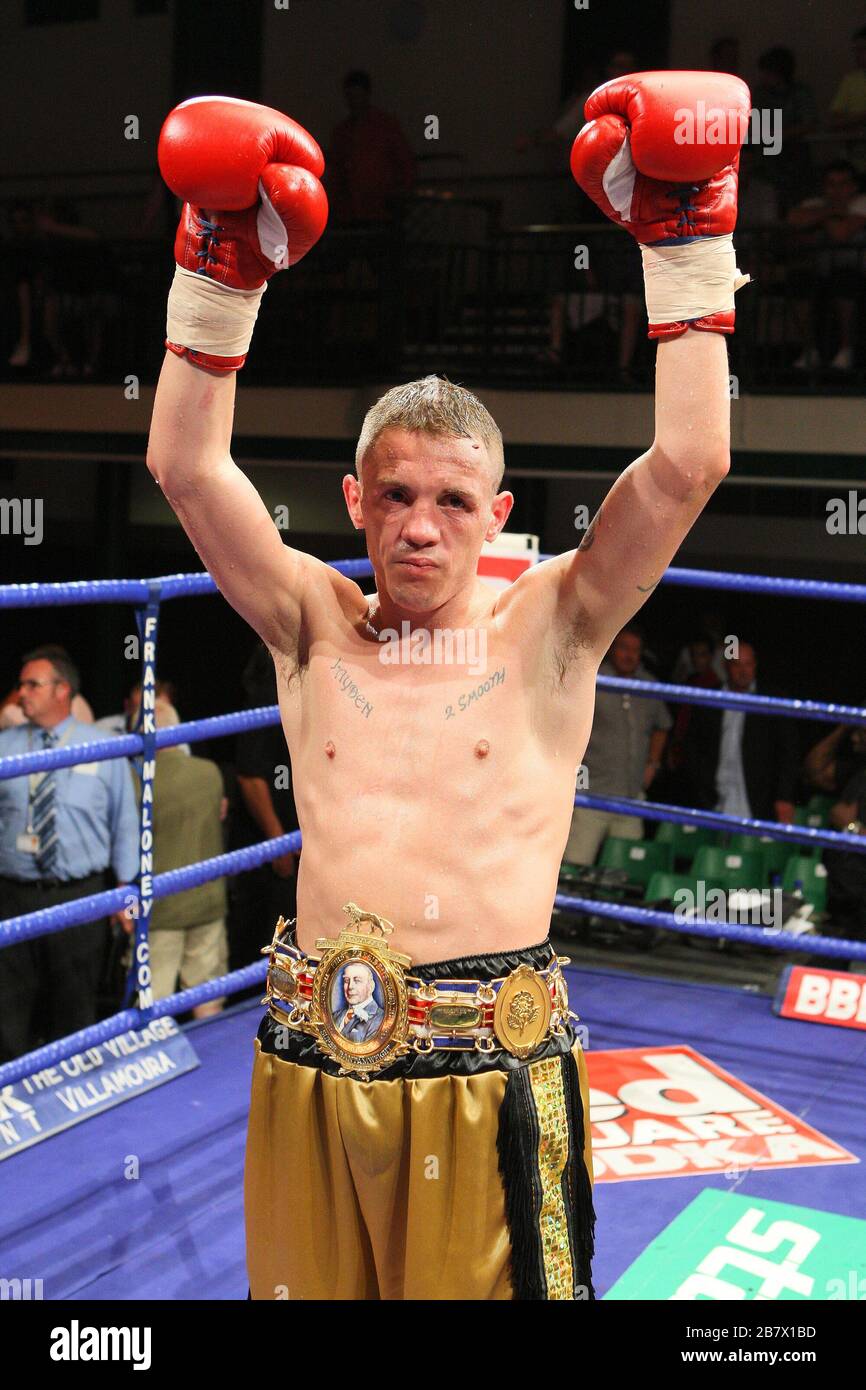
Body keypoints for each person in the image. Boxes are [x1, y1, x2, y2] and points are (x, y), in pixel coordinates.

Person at [149, 76, 747, 1300]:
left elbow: (688, 462)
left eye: (453, 502)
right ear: (356, 501)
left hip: (486, 1074)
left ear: (498, 517)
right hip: (309, 1052)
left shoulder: (555, 623)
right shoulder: (308, 616)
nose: (421, 529)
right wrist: (220, 273)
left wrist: (687, 251)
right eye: (397, 497)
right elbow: (182, 462)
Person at [0, 647, 138, 1063]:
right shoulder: (4, 746)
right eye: (21, 684)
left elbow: (125, 823)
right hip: (14, 893)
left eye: (32, 684)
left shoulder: (103, 747)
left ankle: (71, 1085)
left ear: (62, 691)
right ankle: (10, 1094)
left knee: (74, 1000)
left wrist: (126, 893)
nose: (21, 693)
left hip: (80, 896)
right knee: (8, 1002)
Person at [131, 698, 229, 1016]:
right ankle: (217, 1067)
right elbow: (219, 815)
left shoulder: (139, 783)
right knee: (207, 999)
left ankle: (151, 1064)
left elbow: (128, 844)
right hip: (208, 900)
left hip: (160, 908)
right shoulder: (210, 772)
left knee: (153, 1004)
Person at [563, 625, 672, 866]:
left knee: (623, 873)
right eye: (624, 648)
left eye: (635, 650)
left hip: (630, 798)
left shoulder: (649, 685)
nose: (629, 655)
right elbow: (566, 723)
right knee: (574, 867)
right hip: (591, 796)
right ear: (612, 648)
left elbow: (663, 725)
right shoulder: (594, 680)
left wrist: (653, 762)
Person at [678, 642, 799, 823]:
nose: (743, 671)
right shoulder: (708, 699)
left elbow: (788, 753)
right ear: (727, 667)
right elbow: (692, 747)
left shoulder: (773, 700)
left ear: (755, 665)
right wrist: (703, 790)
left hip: (758, 803)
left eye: (748, 664)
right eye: (737, 664)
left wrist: (784, 796)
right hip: (714, 802)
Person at [787, 161, 866, 371]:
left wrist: (820, 217)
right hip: (820, 269)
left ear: (854, 186)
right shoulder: (816, 203)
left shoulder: (862, 202)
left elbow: (841, 233)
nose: (837, 190)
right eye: (831, 184)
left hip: (855, 269)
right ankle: (809, 350)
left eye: (843, 184)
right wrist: (832, 212)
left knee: (845, 281)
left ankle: (846, 349)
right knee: (798, 282)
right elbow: (794, 219)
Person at [327, 70, 415, 225]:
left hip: (382, 208)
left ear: (366, 95)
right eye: (351, 98)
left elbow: (405, 163)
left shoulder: (385, 127)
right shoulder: (343, 132)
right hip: (352, 211)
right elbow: (337, 171)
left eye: (357, 97)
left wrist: (400, 197)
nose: (354, 102)